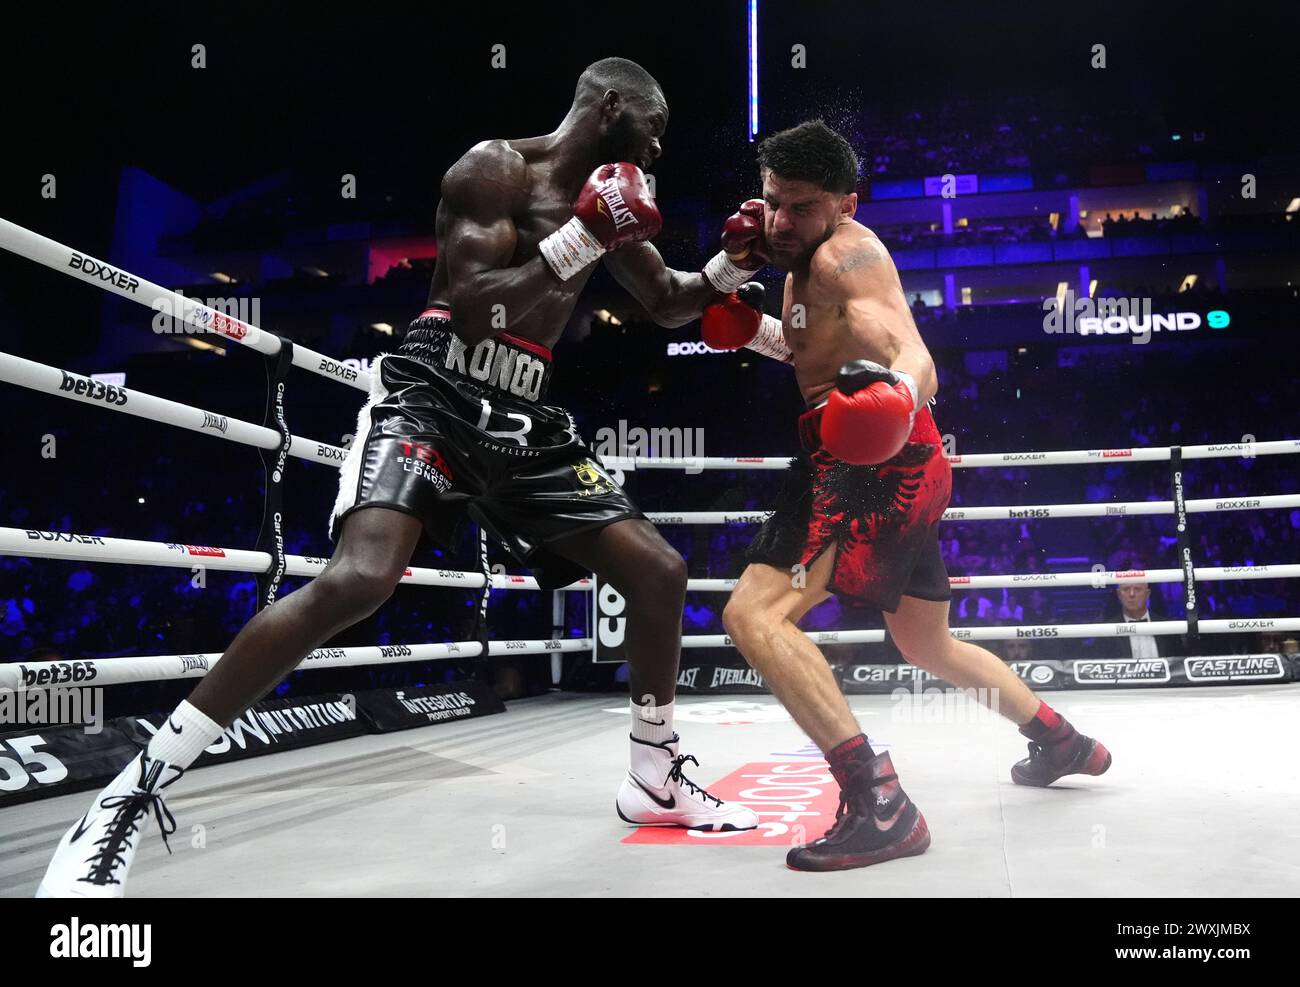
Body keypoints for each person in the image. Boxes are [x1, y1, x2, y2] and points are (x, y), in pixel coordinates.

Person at [39, 57, 760, 899]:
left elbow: (669, 301)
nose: (661, 142)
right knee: (359, 580)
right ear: (608, 106)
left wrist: (729, 267)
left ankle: (653, 776)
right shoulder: (495, 167)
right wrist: (583, 239)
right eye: (654, 122)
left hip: (524, 412)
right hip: (435, 387)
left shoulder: (611, 196)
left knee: (659, 571)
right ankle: (129, 797)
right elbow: (473, 305)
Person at [700, 119, 1111, 872]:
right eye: (772, 202)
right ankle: (1060, 739)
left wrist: (892, 396)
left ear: (845, 205)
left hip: (866, 456)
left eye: (801, 206)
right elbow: (814, 344)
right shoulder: (794, 257)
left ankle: (878, 802)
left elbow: (910, 352)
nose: (781, 220)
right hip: (904, 460)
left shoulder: (848, 254)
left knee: (753, 614)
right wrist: (750, 327)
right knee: (926, 642)